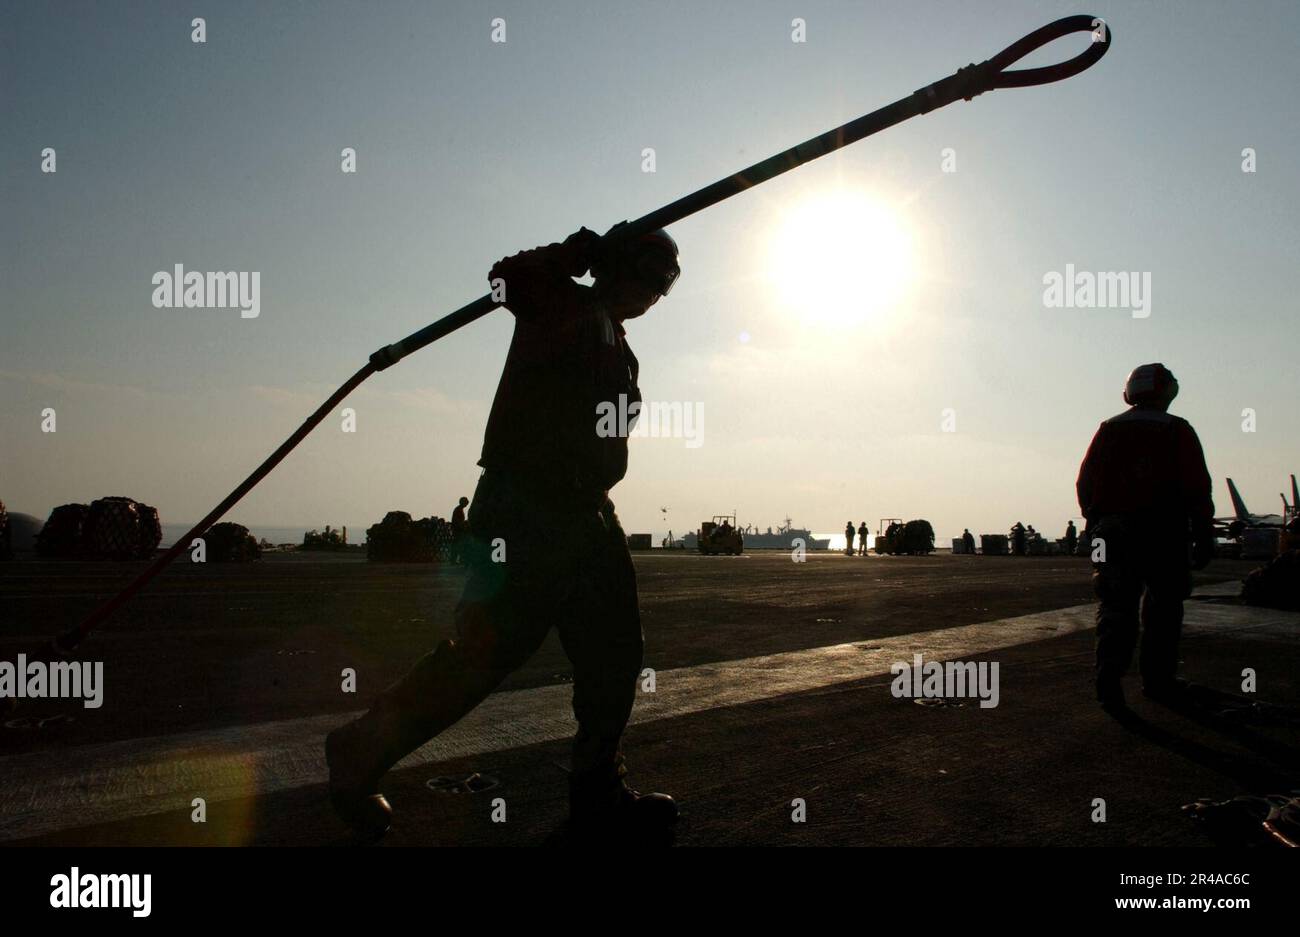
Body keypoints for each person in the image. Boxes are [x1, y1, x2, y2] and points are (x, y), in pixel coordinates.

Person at [326, 223, 682, 839]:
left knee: (615, 656)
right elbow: (504, 279)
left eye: (664, 285)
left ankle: (599, 793)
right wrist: (566, 256)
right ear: (614, 265)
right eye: (647, 276)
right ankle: (361, 748)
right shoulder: (559, 304)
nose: (653, 294)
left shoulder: (621, 350)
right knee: (485, 655)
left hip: (588, 515)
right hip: (526, 510)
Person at [1076, 364, 1214, 712]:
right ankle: (1158, 681)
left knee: (1114, 607)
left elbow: (1085, 483)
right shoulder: (1176, 429)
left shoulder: (1108, 429)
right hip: (1163, 531)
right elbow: (1196, 486)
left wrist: (1097, 522)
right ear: (1168, 391)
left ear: (1129, 393)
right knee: (1164, 609)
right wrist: (1203, 534)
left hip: (1112, 531)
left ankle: (1108, 682)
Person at [449, 496, 470, 564]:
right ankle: (455, 559)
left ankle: (455, 559)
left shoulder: (459, 509)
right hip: (458, 530)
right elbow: (457, 521)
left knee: (458, 545)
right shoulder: (458, 510)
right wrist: (463, 526)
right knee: (458, 545)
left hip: (458, 530)